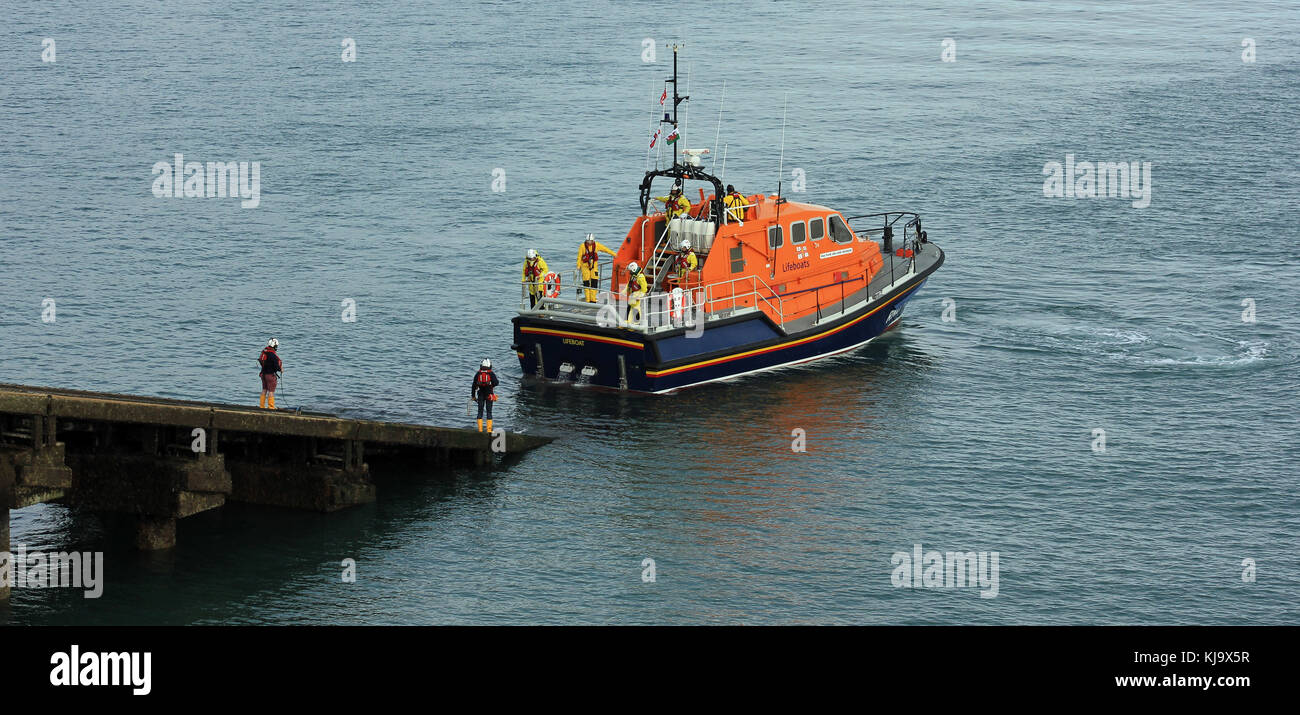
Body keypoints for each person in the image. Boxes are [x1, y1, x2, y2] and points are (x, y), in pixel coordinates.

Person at [577, 233, 617, 303]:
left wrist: (614, 254)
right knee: (586, 283)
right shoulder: (582, 246)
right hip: (585, 267)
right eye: (588, 241)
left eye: (590, 241)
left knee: (594, 283)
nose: (589, 242)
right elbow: (579, 256)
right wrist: (578, 265)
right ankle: (588, 300)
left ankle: (593, 299)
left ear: (593, 241)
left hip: (594, 267)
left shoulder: (596, 245)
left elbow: (605, 249)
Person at [471, 358, 499, 433]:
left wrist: (473, 396)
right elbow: (496, 383)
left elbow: (473, 385)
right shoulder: (491, 373)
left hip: (480, 395)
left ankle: (480, 430)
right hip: (489, 395)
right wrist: (491, 384)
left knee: (480, 412)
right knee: (489, 412)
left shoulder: (478, 373)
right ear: (490, 365)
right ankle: (489, 431)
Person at [258, 338, 282, 409]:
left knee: (264, 389)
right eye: (276, 346)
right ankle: (271, 407)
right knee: (271, 391)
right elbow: (277, 367)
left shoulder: (264, 352)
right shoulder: (272, 355)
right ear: (274, 346)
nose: (276, 347)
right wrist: (281, 369)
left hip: (263, 374)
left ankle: (262, 406)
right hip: (270, 375)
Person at [625, 261, 648, 326]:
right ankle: (627, 320)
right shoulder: (633, 276)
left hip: (637, 295)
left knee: (636, 308)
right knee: (629, 307)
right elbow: (630, 284)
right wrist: (625, 290)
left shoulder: (640, 277)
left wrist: (640, 296)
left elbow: (644, 288)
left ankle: (637, 322)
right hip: (633, 294)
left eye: (630, 271)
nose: (629, 272)